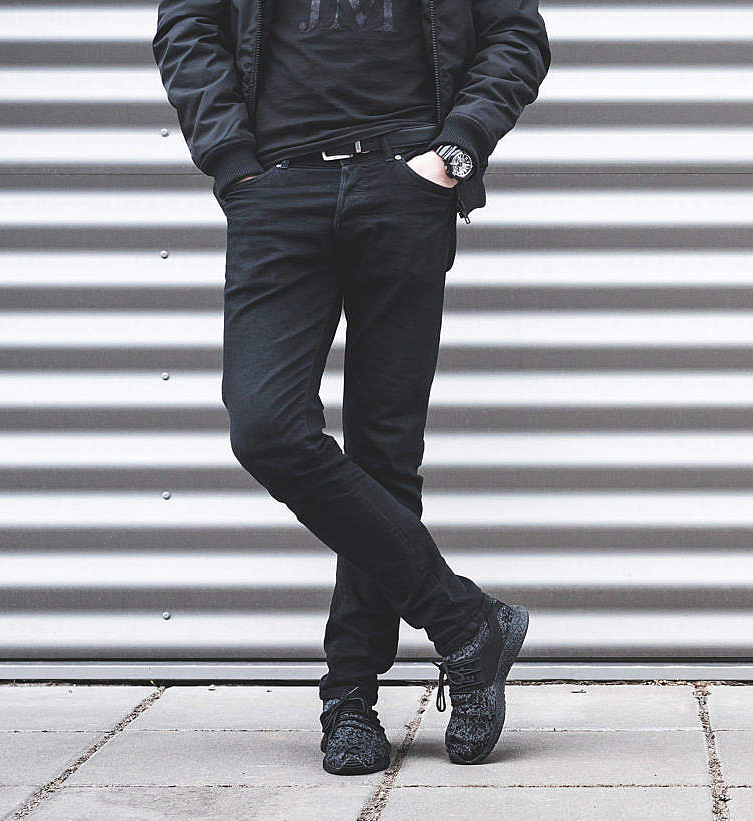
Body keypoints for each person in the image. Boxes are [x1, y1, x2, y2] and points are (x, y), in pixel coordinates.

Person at [152, 0, 549, 775]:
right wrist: (234, 164)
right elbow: (186, 30)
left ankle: (351, 700)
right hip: (277, 190)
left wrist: (452, 156)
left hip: (406, 186)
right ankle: (468, 623)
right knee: (266, 426)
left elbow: (516, 34)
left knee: (385, 453)